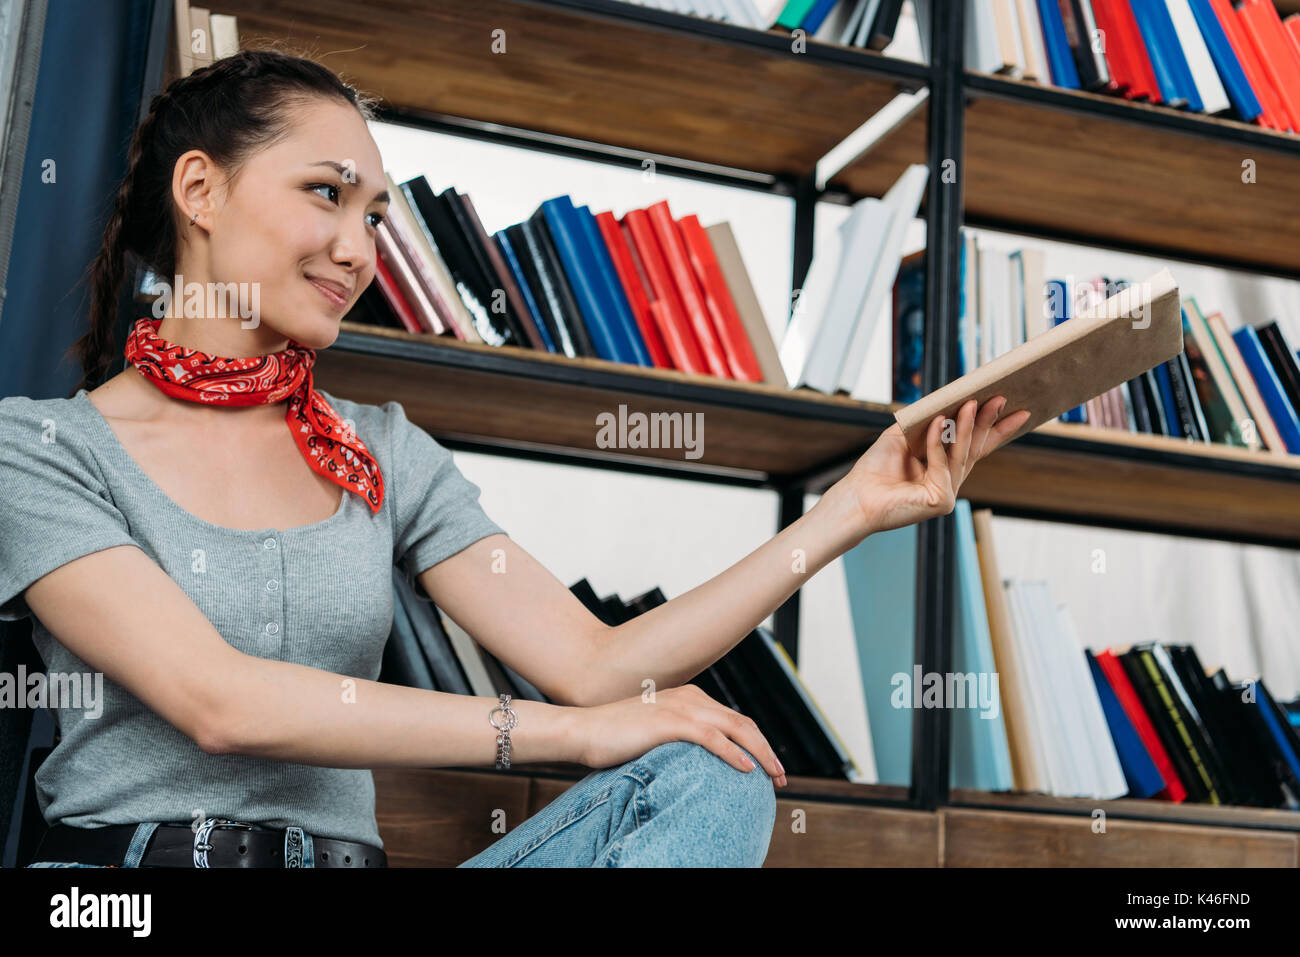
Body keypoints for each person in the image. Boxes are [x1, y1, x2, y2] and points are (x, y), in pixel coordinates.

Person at [2, 48, 1028, 869]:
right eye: (327, 194)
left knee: (708, 771)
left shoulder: (380, 452)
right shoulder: (41, 451)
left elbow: (596, 669)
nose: (359, 252)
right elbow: (217, 702)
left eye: (374, 218)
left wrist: (848, 511)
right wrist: (564, 738)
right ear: (200, 189)